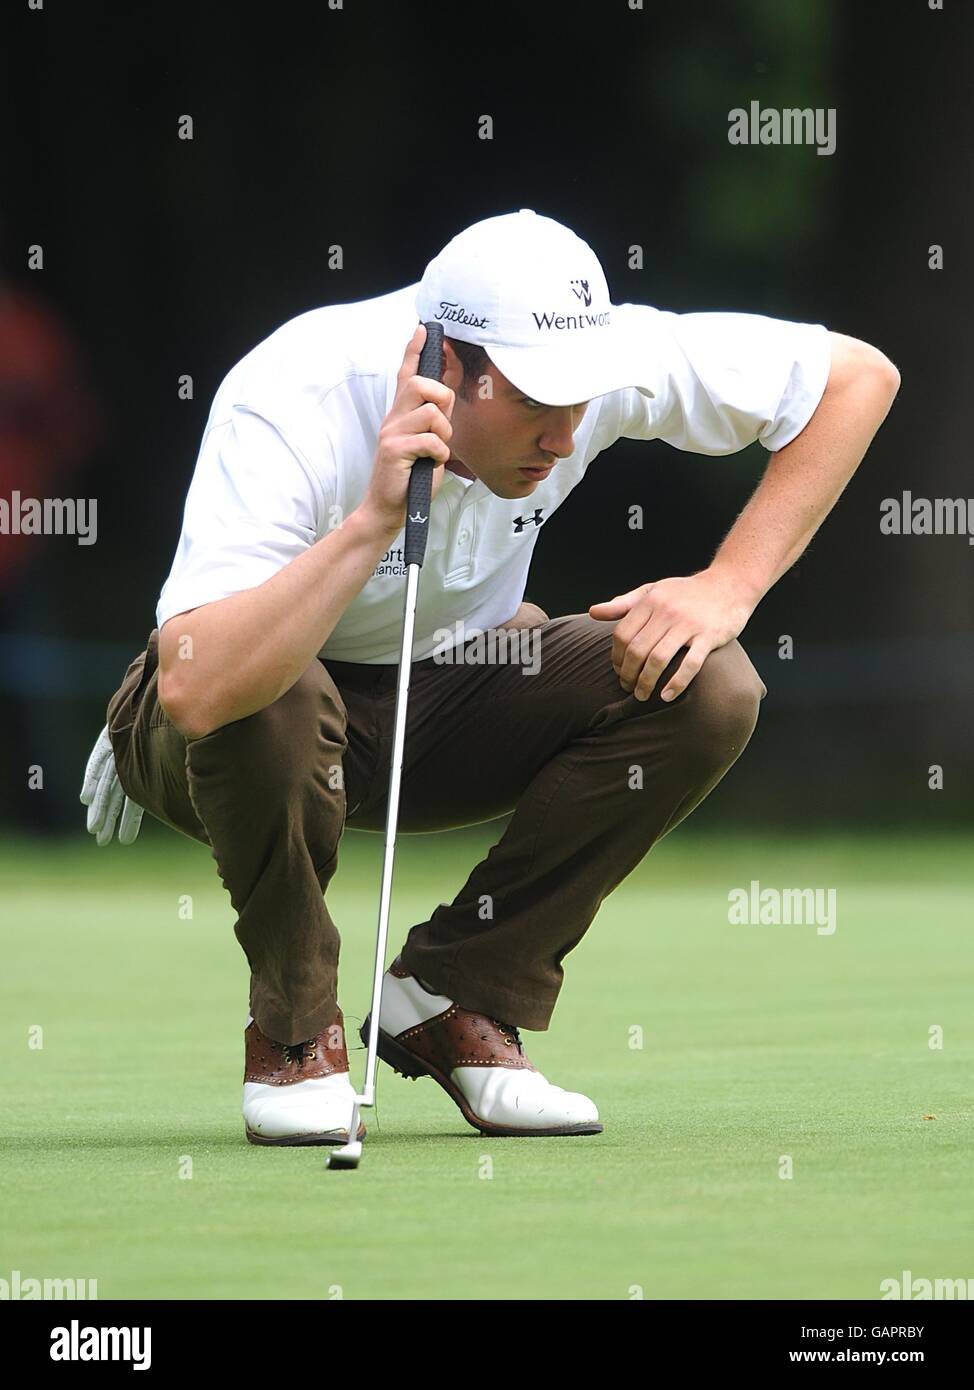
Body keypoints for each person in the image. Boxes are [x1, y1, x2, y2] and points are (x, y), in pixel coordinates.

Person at [81, 209, 900, 1146]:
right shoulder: (297, 391)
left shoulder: (603, 368)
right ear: (441, 366)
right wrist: (370, 523)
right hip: (231, 710)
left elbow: (858, 378)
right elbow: (197, 685)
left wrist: (729, 585)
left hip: (438, 695)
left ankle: (453, 993)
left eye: (579, 402)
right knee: (276, 692)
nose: (562, 435)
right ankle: (296, 1031)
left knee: (709, 683)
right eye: (533, 402)